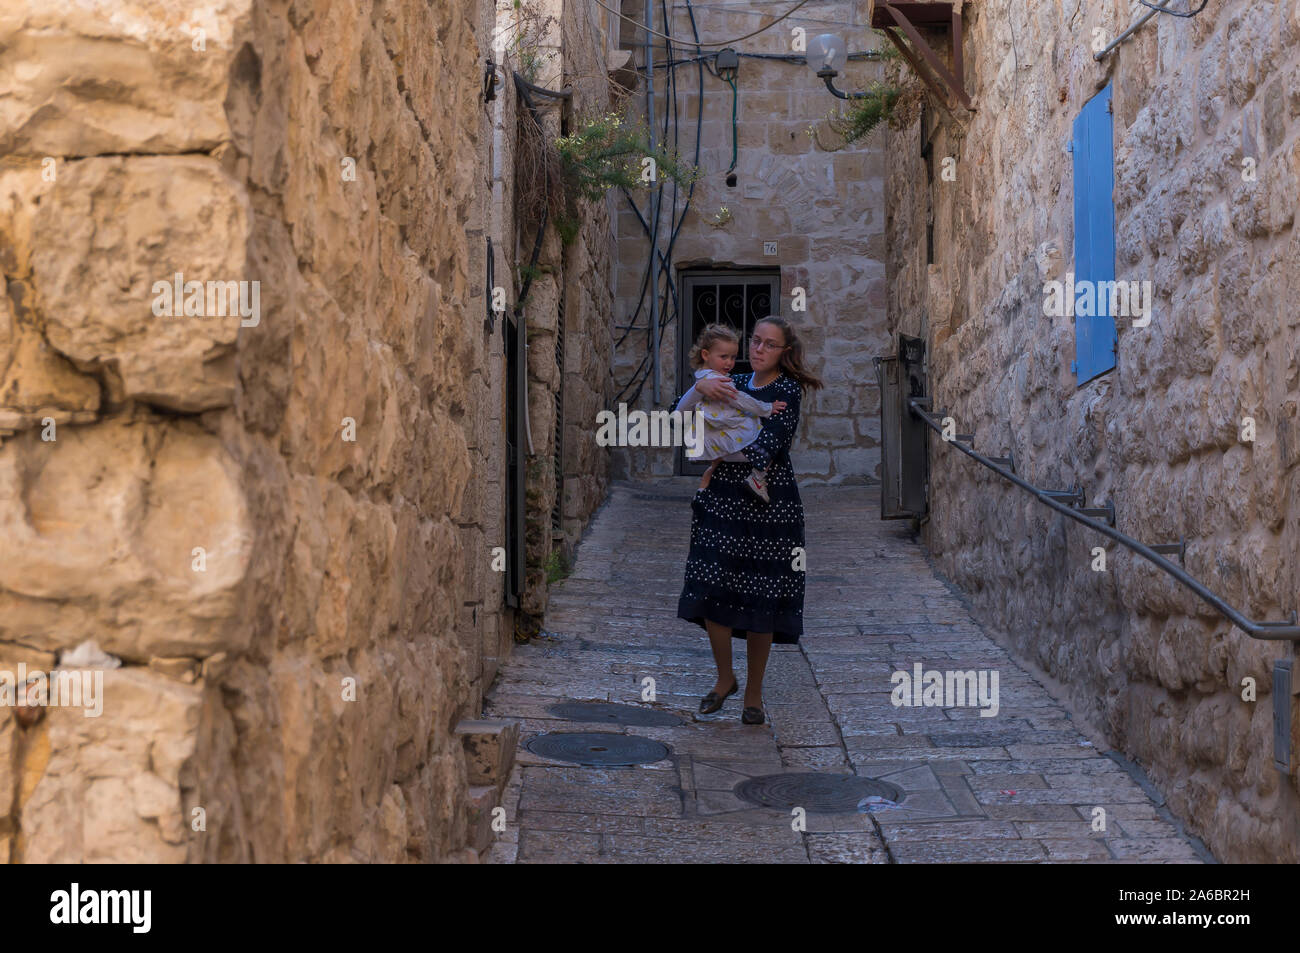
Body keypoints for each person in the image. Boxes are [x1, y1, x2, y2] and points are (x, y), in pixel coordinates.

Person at [670, 315, 823, 725]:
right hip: (721, 497)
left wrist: (715, 453)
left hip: (767, 500)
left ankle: (753, 696)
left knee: (762, 597)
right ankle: (725, 679)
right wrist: (697, 386)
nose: (758, 350)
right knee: (711, 586)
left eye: (768, 345)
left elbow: (769, 441)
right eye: (755, 341)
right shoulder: (729, 379)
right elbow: (679, 417)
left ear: (784, 353)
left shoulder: (787, 390)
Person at [677, 323, 787, 502]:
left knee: (738, 450)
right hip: (727, 430)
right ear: (705, 355)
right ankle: (757, 478)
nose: (729, 362)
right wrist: (767, 408)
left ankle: (708, 478)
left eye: (733, 357)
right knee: (766, 447)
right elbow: (742, 400)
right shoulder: (718, 381)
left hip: (715, 433)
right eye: (724, 357)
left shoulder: (702, 376)